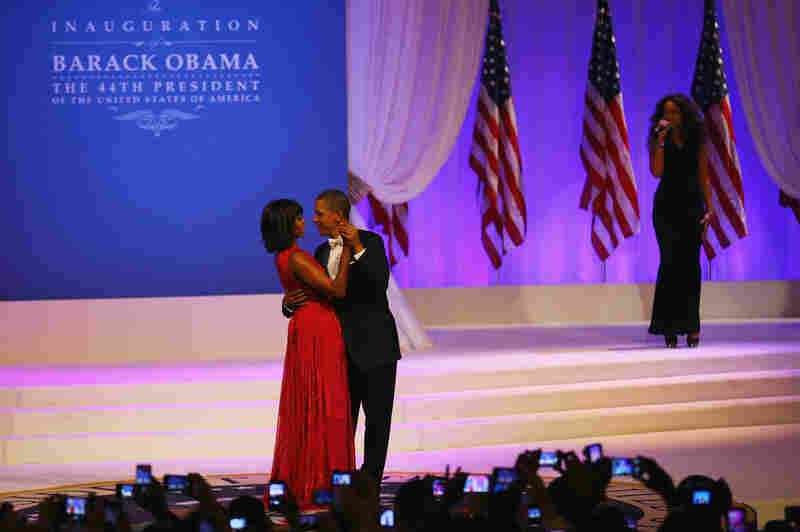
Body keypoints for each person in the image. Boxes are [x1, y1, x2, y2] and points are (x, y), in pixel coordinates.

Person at [283, 189, 402, 488]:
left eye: (319, 213)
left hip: (376, 349)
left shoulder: (371, 242)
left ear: (337, 215)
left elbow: (379, 283)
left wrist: (357, 246)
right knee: (339, 423)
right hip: (337, 353)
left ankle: (371, 483)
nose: (314, 219)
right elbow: (314, 295)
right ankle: (340, 483)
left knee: (377, 422)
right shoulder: (320, 252)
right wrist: (288, 305)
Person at [260, 198, 355, 509]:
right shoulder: (298, 257)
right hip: (318, 331)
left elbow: (298, 293)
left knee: (311, 403)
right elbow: (337, 290)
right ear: (288, 225)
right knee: (324, 403)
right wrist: (347, 253)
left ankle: (310, 477)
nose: (305, 222)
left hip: (307, 328)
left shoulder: (284, 257)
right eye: (300, 218)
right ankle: (320, 483)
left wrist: (288, 303)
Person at [647, 94, 714, 348]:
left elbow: (704, 175)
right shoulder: (658, 138)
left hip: (692, 207)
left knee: (690, 267)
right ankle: (669, 326)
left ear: (684, 115)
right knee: (669, 265)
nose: (670, 117)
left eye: (674, 112)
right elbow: (656, 172)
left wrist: (710, 208)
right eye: (666, 112)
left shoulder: (697, 138)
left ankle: (691, 325)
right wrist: (660, 141)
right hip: (666, 208)